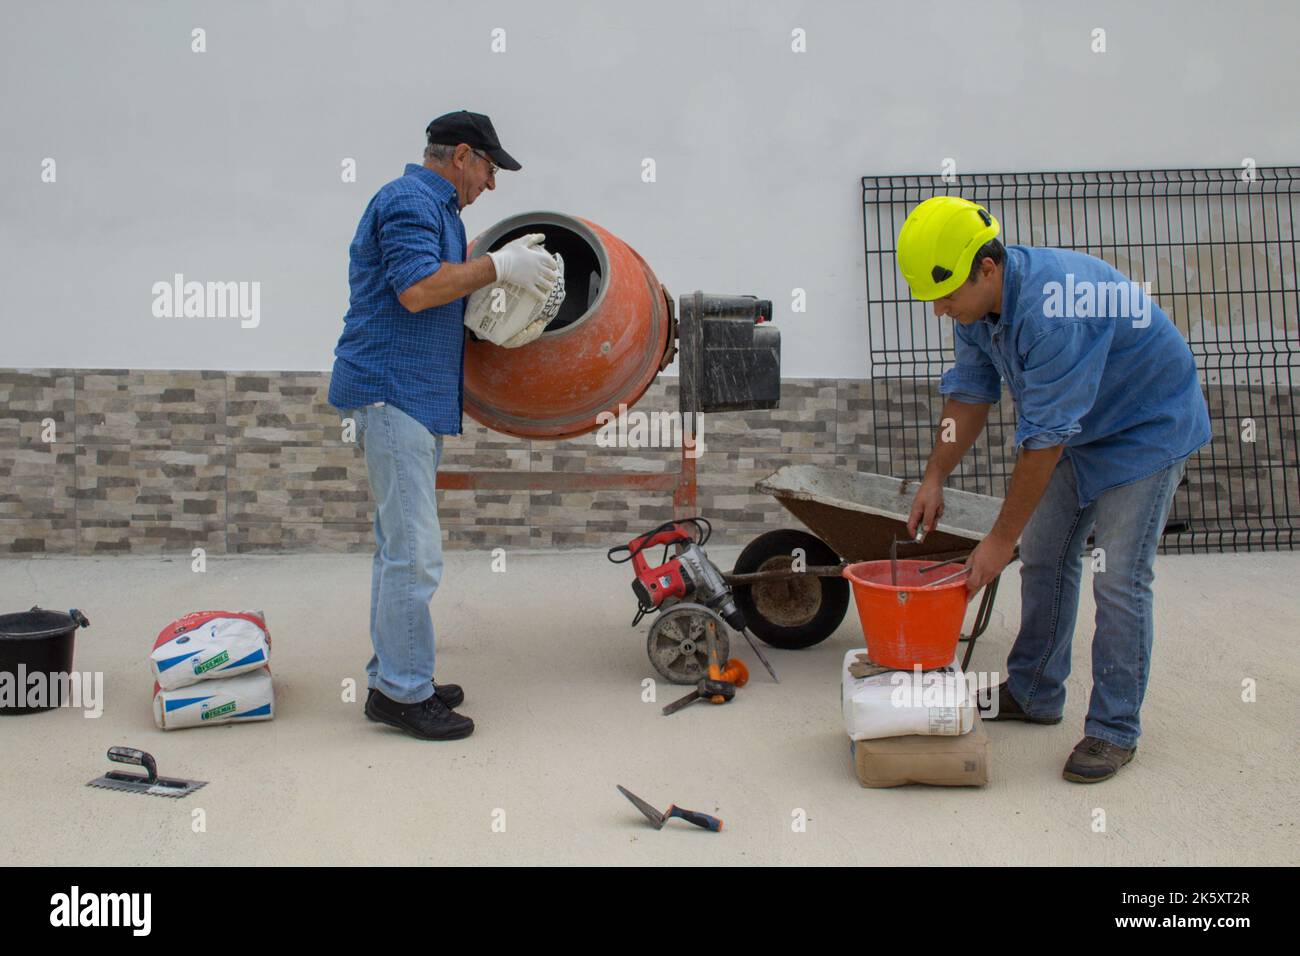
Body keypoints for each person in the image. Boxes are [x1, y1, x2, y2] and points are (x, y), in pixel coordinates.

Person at [897, 196, 1211, 782]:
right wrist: (935, 474)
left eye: (946, 296)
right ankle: (1035, 692)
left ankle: (1114, 730)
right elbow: (968, 392)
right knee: (1044, 555)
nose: (940, 310)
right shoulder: (979, 310)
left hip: (1147, 429)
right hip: (1083, 426)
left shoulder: (1054, 310)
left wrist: (995, 541)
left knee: (1118, 576)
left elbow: (1043, 442)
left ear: (987, 268)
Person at [328, 110, 558, 740]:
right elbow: (417, 290)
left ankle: (394, 675)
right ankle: (404, 694)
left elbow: (438, 294)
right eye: (488, 168)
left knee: (396, 549)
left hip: (409, 399)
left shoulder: (442, 214)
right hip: (391, 394)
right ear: (461, 156)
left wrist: (494, 303)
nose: (491, 183)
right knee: (415, 554)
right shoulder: (409, 199)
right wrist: (498, 268)